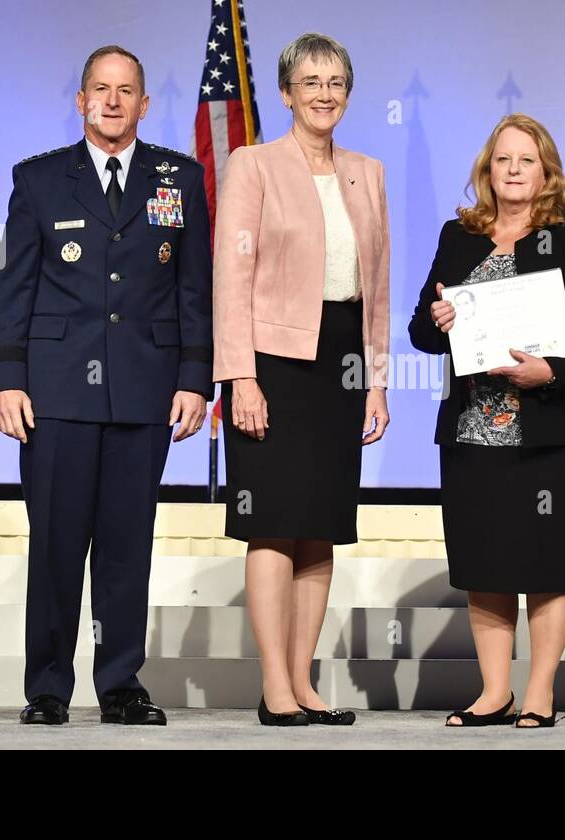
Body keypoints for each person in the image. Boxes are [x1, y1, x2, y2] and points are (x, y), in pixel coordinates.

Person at [0, 45, 213, 726]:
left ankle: (120, 683)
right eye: (99, 89)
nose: (112, 102)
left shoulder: (181, 177)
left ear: (144, 104)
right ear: (81, 100)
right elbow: (13, 287)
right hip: (54, 391)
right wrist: (5, 378)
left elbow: (194, 287)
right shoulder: (39, 180)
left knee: (126, 543)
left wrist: (195, 378)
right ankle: (48, 687)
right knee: (55, 541)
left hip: (145, 388)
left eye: (125, 91)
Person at [409, 114, 565, 729]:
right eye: (503, 160)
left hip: (550, 425)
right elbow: (422, 329)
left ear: (546, 169)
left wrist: (551, 372)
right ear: (487, 171)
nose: (514, 171)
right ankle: (494, 691)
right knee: (485, 562)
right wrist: (440, 320)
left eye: (526, 160)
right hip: (475, 429)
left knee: (546, 561)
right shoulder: (459, 235)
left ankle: (540, 693)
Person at [213, 33, 390, 726]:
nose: (324, 93)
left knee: (319, 528)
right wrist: (240, 377)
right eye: (311, 81)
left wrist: (376, 380)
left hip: (342, 359)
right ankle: (276, 687)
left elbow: (376, 284)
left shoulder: (367, 171)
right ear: (285, 92)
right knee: (273, 526)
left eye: (336, 82)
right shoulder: (253, 164)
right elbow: (231, 278)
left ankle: (306, 683)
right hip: (274, 364)